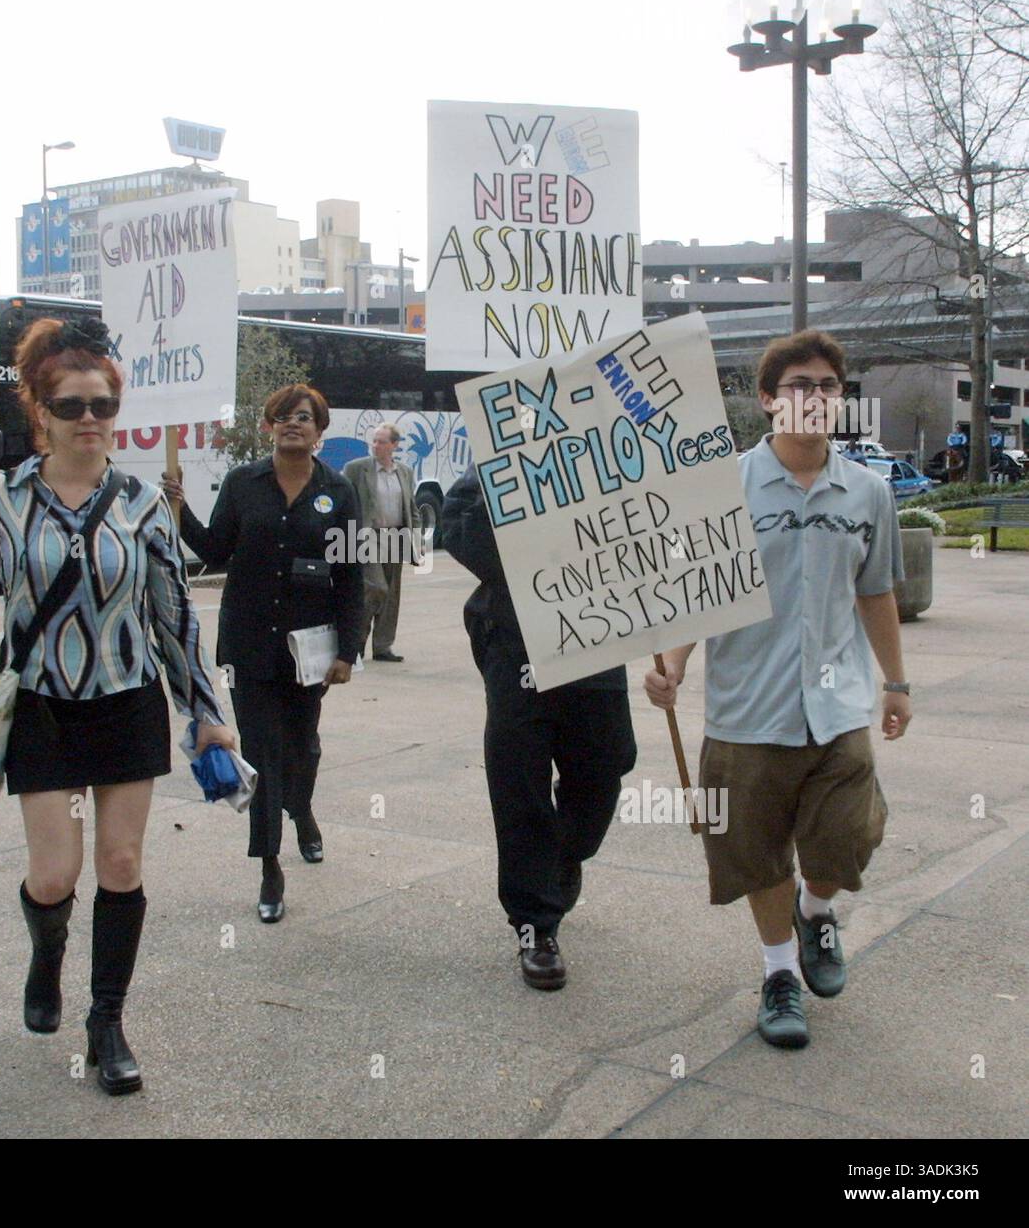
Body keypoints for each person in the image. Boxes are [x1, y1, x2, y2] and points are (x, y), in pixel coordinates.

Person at [0, 318, 235, 1096]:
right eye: (71, 407)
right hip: (42, 707)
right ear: (40, 411)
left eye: (103, 405)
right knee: (53, 874)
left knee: (122, 863)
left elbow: (174, 615)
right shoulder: (6, 499)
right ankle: (47, 951)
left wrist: (204, 707)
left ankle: (107, 1021)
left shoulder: (141, 504)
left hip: (126, 702)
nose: (91, 420)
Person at [645, 329, 910, 1050]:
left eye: (828, 387)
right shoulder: (722, 488)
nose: (816, 398)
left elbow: (877, 590)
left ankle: (817, 910)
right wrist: (672, 667)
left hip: (838, 706)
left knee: (847, 838)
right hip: (746, 709)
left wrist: (896, 682)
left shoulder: (867, 492)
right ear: (767, 400)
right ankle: (778, 974)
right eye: (799, 386)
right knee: (755, 853)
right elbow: (697, 594)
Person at [164, 384, 363, 922]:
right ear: (268, 427)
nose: (292, 424)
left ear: (320, 431)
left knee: (304, 747)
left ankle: (303, 812)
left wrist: (350, 649)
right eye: (282, 416)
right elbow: (214, 551)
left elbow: (351, 576)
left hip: (310, 647)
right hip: (250, 641)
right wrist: (179, 511)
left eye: (304, 417)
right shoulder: (242, 482)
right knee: (261, 754)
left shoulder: (339, 491)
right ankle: (269, 865)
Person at [442, 466, 637, 991]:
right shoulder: (490, 464)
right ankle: (536, 927)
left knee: (606, 766)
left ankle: (566, 854)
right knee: (519, 783)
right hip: (516, 644)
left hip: (599, 637)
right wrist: (514, 486)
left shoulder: (610, 456)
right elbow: (463, 538)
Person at [342, 423, 420, 662]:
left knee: (391, 595)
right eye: (374, 441)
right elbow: (343, 500)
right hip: (368, 536)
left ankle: (383, 647)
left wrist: (416, 540)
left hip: (396, 536)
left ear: (394, 445)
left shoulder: (404, 472)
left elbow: (412, 509)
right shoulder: (357, 469)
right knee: (375, 588)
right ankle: (355, 642)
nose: (376, 445)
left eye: (382, 442)